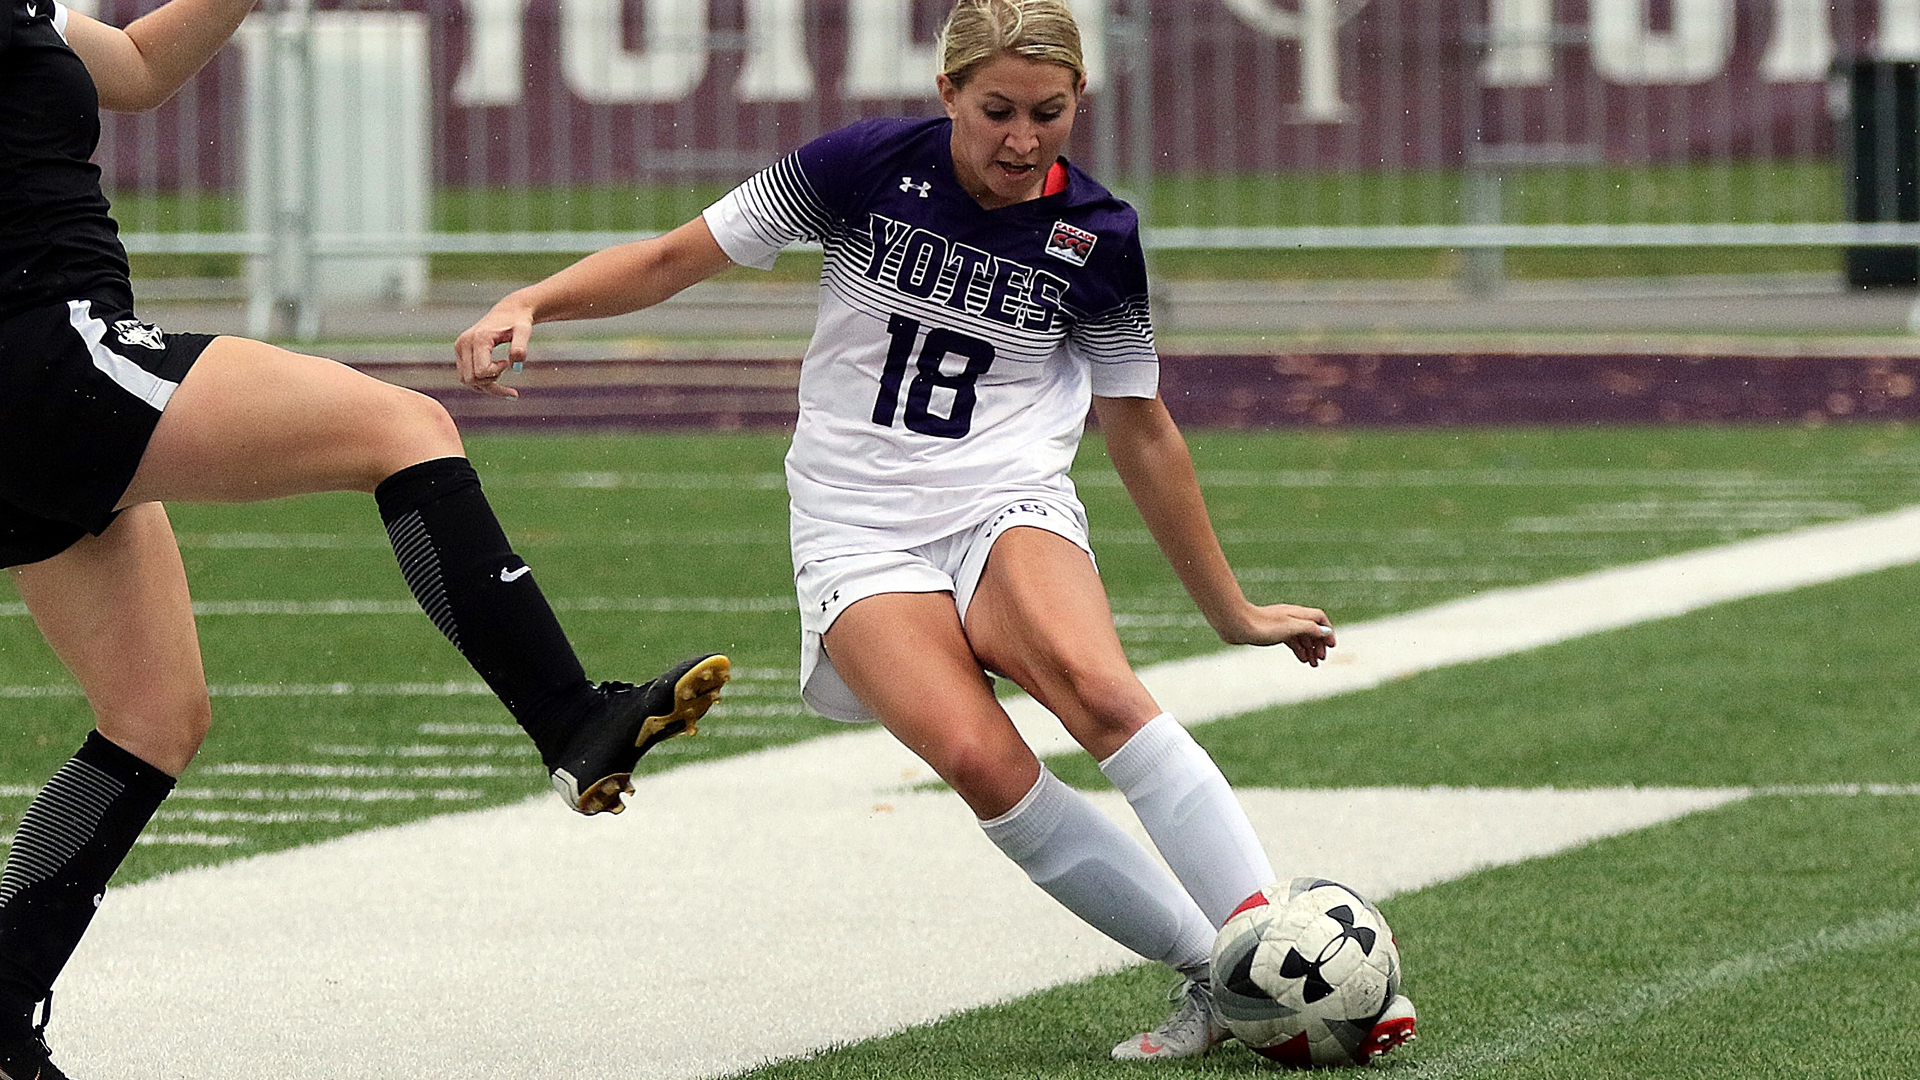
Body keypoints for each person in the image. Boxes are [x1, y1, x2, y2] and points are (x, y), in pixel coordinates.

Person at [456, 0, 1413, 1062]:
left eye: (1048, 112)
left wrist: (1229, 611)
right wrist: (534, 300)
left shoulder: (1096, 235)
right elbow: (674, 258)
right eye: (996, 108)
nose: (1022, 137)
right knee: (981, 762)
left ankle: (1279, 947)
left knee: (1097, 690)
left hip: (1003, 497)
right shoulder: (862, 167)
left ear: (1079, 100)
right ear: (946, 93)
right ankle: (1220, 979)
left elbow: (1142, 431)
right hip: (853, 524)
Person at [0, 2, 732, 1075]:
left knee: (155, 717)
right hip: (45, 348)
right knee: (402, 426)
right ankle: (574, 719)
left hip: (42, 372)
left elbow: (144, 66)